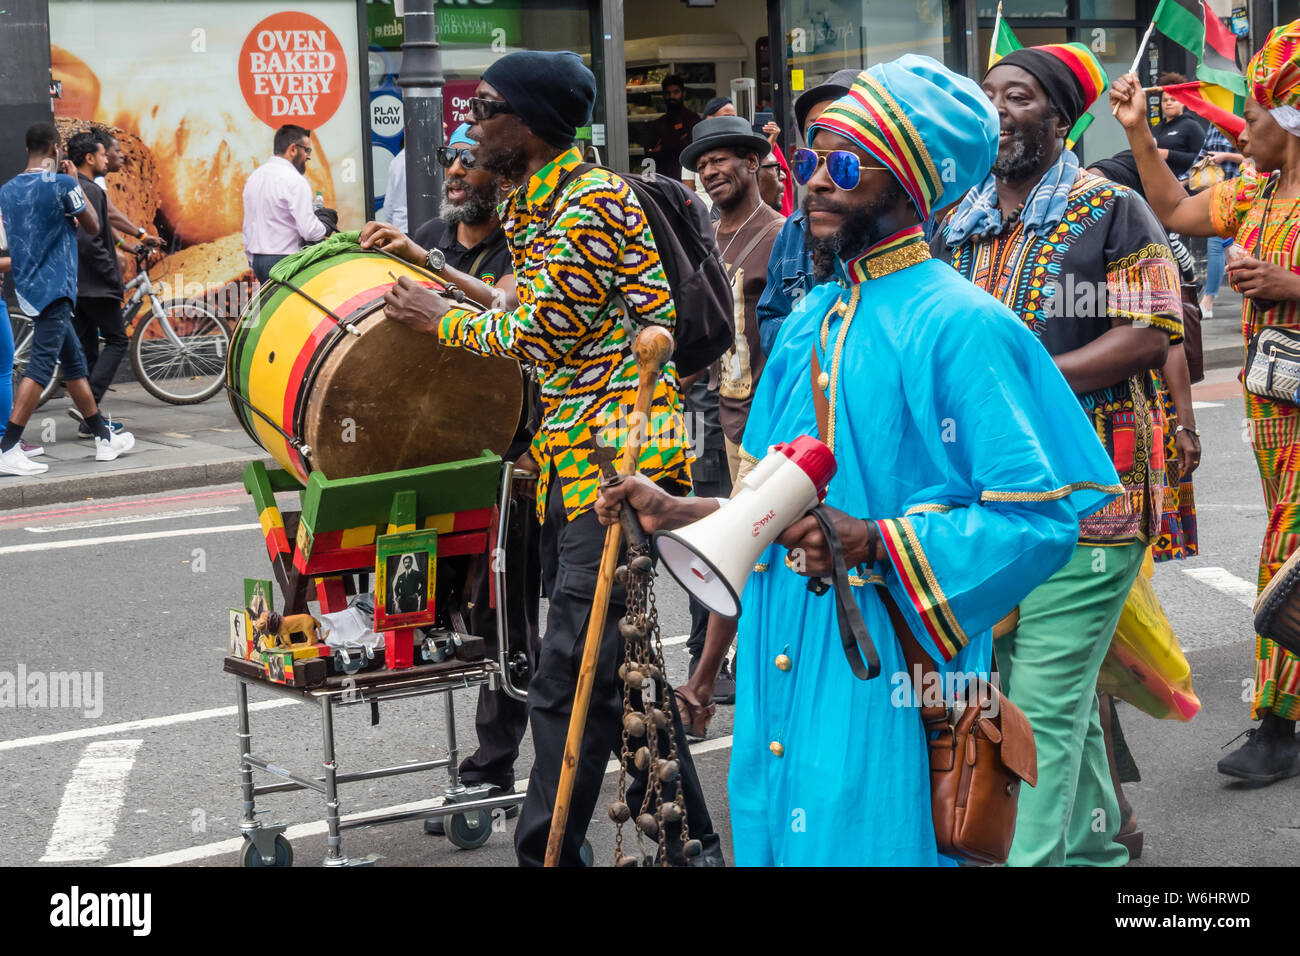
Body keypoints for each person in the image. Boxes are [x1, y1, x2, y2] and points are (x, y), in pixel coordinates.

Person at [597, 56, 1122, 866]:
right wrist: (678, 513)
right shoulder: (809, 317)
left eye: (842, 166)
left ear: (911, 186)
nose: (813, 184)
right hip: (781, 662)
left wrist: (875, 540)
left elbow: (1041, 520)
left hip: (887, 668)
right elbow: (770, 506)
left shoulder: (962, 324)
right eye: (807, 163)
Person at [376, 49, 721, 867]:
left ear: (527, 124)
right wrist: (436, 271)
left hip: (622, 461)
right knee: (621, 662)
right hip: (579, 464)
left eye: (485, 108)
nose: (470, 124)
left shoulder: (588, 203)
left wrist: (438, 321)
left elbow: (539, 332)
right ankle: (690, 843)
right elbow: (524, 302)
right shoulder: (542, 201)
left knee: (569, 667)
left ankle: (547, 852)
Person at [932, 43, 1182, 867]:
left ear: (1063, 117)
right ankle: (1099, 852)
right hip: (993, 500)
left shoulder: (1113, 208)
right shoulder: (954, 220)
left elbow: (1151, 333)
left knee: (1034, 706)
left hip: (1092, 498)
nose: (1000, 109)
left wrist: (1024, 383)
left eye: (1022, 97)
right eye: (991, 95)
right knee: (1029, 689)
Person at [1111, 20, 1300, 783]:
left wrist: (1294, 288)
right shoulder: (1254, 191)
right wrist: (1138, 135)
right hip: (1273, 408)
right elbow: (1177, 209)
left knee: (1285, 557)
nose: (1241, 129)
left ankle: (1278, 721)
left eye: (1252, 116)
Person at [359, 122, 542, 833]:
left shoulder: (523, 239)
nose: (457, 171)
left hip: (511, 461)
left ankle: (491, 771)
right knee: (434, 617)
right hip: (431, 452)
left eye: (471, 159)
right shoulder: (432, 230)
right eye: (450, 159)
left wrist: (428, 271)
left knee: (506, 620)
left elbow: (510, 307)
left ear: (501, 172)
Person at [674, 116, 785, 723]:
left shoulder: (781, 234)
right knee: (706, 534)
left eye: (723, 159)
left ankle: (730, 666)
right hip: (703, 412)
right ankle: (702, 658)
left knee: (744, 542)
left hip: (757, 415)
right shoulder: (704, 237)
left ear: (752, 163)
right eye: (703, 164)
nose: (712, 172)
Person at [0, 123, 134, 476]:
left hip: (28, 285)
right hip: (56, 286)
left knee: (74, 364)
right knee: (41, 367)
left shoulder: (9, 190)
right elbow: (92, 225)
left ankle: (104, 437)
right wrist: (74, 182)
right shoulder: (61, 184)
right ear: (56, 149)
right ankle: (8, 447)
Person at [755, 69, 861, 357]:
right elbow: (769, 318)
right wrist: (812, 332)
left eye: (842, 157)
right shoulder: (794, 229)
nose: (816, 179)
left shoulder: (911, 226)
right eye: (810, 160)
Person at [66, 132, 129, 426]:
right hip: (96, 285)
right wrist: (112, 275)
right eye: (103, 154)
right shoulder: (89, 190)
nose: (107, 159)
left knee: (89, 350)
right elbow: (90, 242)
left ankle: (90, 423)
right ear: (89, 158)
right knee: (117, 340)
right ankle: (88, 407)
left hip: (78, 286)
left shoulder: (74, 187)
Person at [241, 124, 328, 283]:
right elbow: (309, 231)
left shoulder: (254, 178)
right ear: (293, 149)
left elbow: (247, 227)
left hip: (259, 261)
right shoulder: (295, 180)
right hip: (285, 262)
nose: (308, 156)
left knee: (272, 307)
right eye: (307, 150)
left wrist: (252, 260)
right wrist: (324, 226)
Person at [1191, 124, 1244, 317]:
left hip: (1242, 195)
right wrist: (1186, 178)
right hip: (1218, 196)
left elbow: (1252, 158)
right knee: (1217, 247)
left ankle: (1212, 300)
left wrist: (1226, 157)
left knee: (1239, 248)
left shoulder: (1237, 120)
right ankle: (1208, 301)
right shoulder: (1213, 126)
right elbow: (1203, 154)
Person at [1153, 73, 1210, 180]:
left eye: (1173, 100)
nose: (1168, 103)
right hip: (1159, 183)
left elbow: (1204, 159)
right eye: (1165, 100)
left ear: (1183, 102)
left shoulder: (1191, 126)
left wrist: (1169, 155)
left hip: (1184, 186)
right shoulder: (1156, 128)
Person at [647, 74, 701, 183]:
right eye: (668, 93)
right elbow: (649, 153)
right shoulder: (658, 123)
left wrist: (663, 148)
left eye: (675, 92)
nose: (671, 96)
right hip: (662, 182)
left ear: (683, 94)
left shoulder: (692, 119)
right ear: (663, 95)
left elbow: (692, 149)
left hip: (686, 181)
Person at [382, 147, 407, 233]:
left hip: (399, 228)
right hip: (422, 228)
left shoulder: (396, 161)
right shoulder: (430, 158)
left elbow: (388, 204)